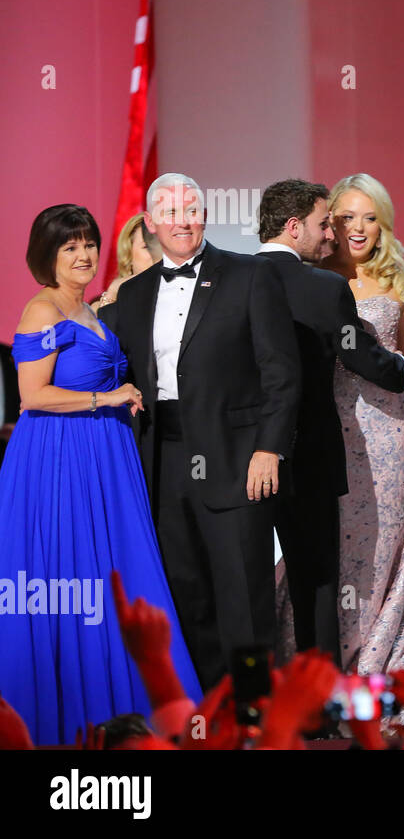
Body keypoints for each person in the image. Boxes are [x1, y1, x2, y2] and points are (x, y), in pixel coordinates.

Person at [0, 204, 201, 744]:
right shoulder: (43, 311)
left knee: (115, 576)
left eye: (89, 243)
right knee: (73, 580)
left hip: (104, 455)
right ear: (47, 256)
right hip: (58, 459)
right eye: (69, 247)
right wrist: (105, 395)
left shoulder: (89, 310)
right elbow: (31, 395)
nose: (84, 255)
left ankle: (129, 711)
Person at [99, 173, 300, 690]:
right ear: (150, 224)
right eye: (169, 212)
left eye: (191, 208)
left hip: (237, 459)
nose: (182, 220)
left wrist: (269, 449)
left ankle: (255, 718)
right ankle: (206, 719)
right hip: (161, 464)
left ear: (205, 214)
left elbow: (281, 372)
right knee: (185, 595)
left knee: (245, 599)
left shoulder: (249, 275)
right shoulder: (133, 295)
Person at [257, 179, 404, 666]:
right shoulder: (324, 286)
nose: (332, 235)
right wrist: (401, 367)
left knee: (239, 572)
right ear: (295, 225)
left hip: (239, 450)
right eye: (327, 224)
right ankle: (318, 696)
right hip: (310, 452)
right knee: (316, 579)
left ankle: (249, 692)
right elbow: (358, 353)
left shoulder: (228, 277)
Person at [318, 173, 404, 674]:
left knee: (385, 540)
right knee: (331, 540)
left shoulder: (399, 284)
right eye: (347, 217)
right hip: (332, 427)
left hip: (390, 434)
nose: (358, 228)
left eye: (370, 218)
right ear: (330, 220)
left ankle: (377, 663)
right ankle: (321, 660)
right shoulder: (314, 275)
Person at [90, 213, 160, 313]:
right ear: (129, 255)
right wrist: (112, 294)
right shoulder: (98, 307)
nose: (158, 254)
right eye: (147, 247)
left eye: (162, 246)